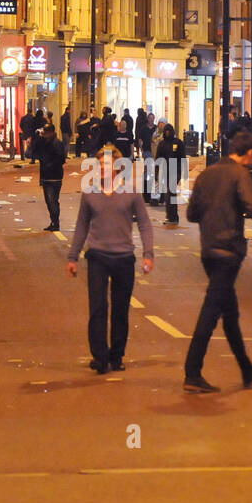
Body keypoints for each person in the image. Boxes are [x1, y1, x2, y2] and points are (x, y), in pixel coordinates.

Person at [182, 130, 252, 393]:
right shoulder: (239, 174)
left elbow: (191, 214)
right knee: (210, 313)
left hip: (208, 248)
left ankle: (246, 368)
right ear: (249, 154)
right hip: (229, 251)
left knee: (229, 313)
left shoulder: (207, 174)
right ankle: (192, 371)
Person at [67, 145, 154, 374]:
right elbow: (81, 226)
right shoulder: (90, 193)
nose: (102, 168)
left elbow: (145, 224)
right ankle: (100, 357)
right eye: (99, 165)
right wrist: (73, 256)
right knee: (97, 308)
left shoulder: (131, 192)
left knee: (120, 310)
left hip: (124, 257)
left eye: (106, 164)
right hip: (97, 256)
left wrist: (148, 254)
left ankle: (117, 356)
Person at [36, 124, 66, 231]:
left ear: (52, 132)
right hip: (45, 176)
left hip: (54, 176)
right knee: (49, 201)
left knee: (52, 200)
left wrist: (50, 165)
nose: (45, 134)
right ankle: (53, 222)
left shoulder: (57, 143)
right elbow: (33, 152)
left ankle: (55, 223)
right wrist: (38, 137)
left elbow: (61, 159)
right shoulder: (43, 143)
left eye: (47, 132)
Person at [155, 123, 186, 224]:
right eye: (166, 131)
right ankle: (172, 217)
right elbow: (158, 160)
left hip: (175, 170)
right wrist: (156, 174)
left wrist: (182, 172)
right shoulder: (162, 144)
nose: (168, 133)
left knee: (170, 193)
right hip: (166, 171)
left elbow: (183, 158)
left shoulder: (178, 143)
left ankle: (172, 217)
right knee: (169, 194)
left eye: (169, 131)